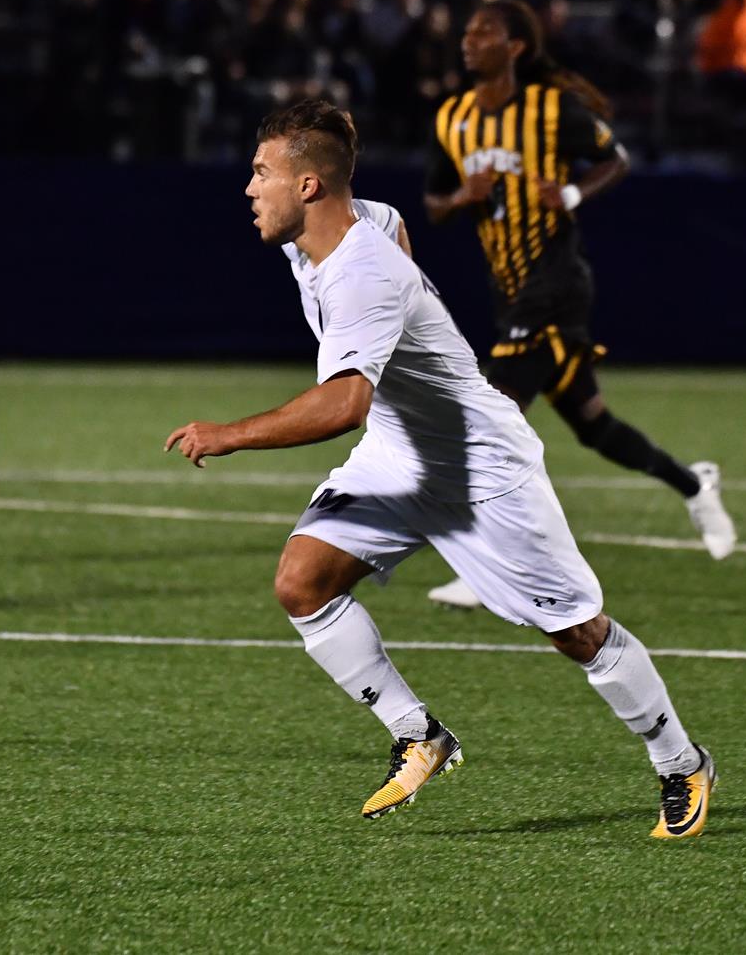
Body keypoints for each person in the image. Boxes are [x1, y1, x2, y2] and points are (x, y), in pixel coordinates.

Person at [165, 99, 715, 839]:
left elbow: (343, 406)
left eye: (261, 172)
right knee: (302, 582)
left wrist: (228, 435)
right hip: (400, 457)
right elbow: (394, 225)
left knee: (576, 632)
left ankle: (681, 761)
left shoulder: (360, 275)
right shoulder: (347, 228)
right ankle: (418, 731)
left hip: (481, 471)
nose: (248, 188)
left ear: (307, 188)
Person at [423, 0, 736, 609]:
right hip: (510, 290)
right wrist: (464, 195)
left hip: (556, 283)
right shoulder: (453, 117)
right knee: (592, 426)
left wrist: (568, 194)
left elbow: (614, 159)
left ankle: (493, 565)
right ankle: (694, 484)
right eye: (467, 29)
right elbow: (433, 204)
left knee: (491, 416)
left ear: (514, 46)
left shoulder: (549, 110)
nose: (468, 39)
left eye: (482, 31)